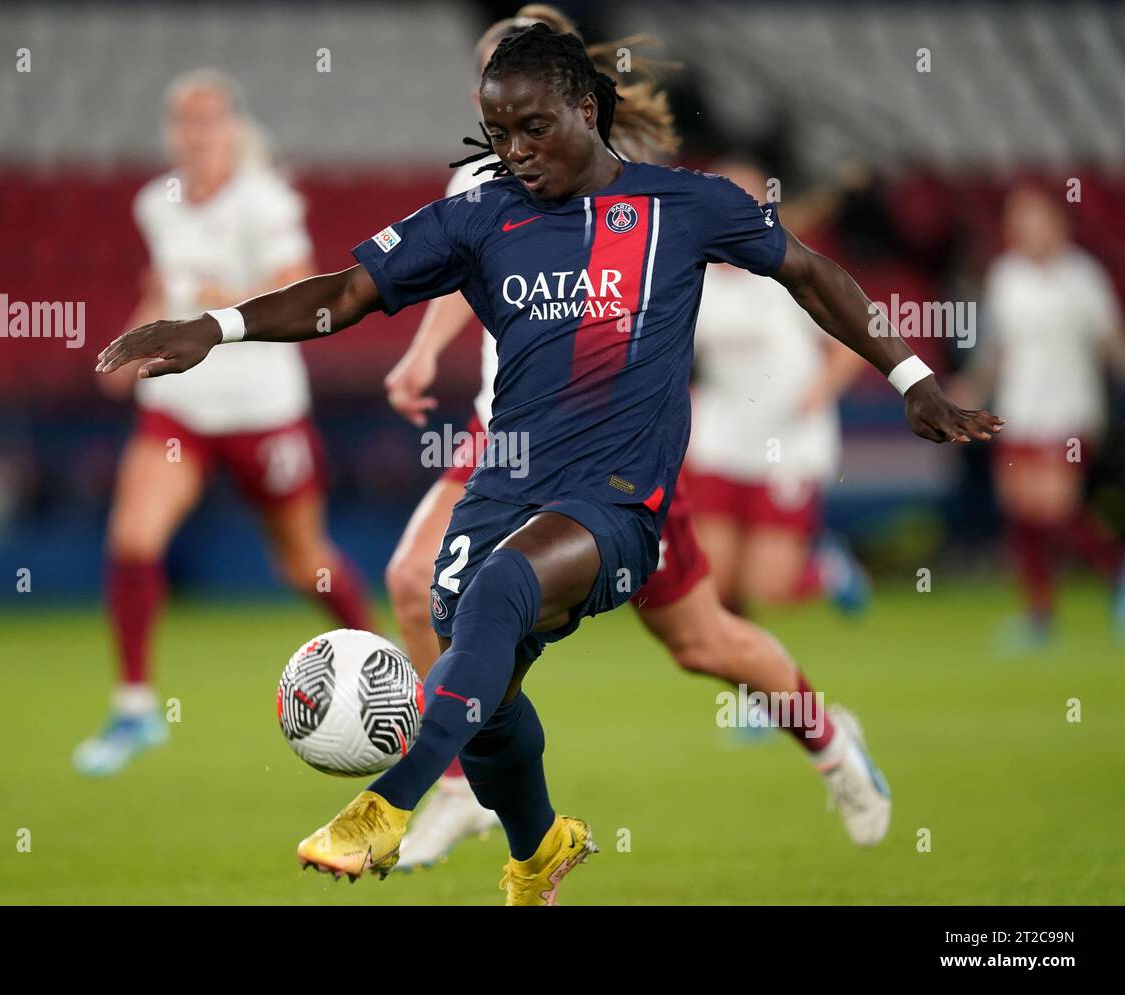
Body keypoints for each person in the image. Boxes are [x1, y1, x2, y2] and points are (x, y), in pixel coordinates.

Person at [96, 25, 1001, 904]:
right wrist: (214, 328)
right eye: (498, 135)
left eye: (534, 128)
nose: (516, 152)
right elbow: (344, 293)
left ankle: (391, 803)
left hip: (621, 498)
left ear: (586, 108)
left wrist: (914, 378)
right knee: (478, 668)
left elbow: (809, 272)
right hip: (507, 482)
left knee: (563, 612)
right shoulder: (478, 215)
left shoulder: (678, 205)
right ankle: (538, 851)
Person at [382, 7, 886, 873]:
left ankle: (830, 736)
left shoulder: (621, 183)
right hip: (505, 438)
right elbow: (442, 267)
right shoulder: (483, 181)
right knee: (409, 578)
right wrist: (426, 349)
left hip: (615, 451)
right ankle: (465, 789)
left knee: (704, 641)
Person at [74, 69, 373, 778]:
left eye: (208, 120)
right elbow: (161, 284)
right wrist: (128, 341)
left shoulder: (263, 202)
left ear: (231, 128)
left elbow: (302, 289)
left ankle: (377, 659)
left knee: (303, 561)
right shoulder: (158, 203)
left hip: (263, 410)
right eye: (183, 121)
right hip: (180, 405)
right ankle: (136, 705)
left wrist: (214, 307)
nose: (195, 134)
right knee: (133, 536)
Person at [686, 156, 869, 614]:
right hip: (721, 440)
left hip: (787, 441)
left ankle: (826, 569)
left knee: (769, 587)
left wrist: (818, 391)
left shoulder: (792, 273)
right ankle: (747, 672)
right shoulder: (694, 280)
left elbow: (856, 342)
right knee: (717, 580)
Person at [959, 183, 1125, 652]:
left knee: (1055, 507)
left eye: (1035, 218)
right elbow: (998, 348)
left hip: (1069, 411)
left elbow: (1110, 340)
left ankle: (1116, 572)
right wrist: (973, 388)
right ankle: (1040, 614)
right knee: (1021, 513)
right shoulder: (1006, 276)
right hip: (1019, 410)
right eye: (1019, 220)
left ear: (1057, 221)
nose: (1027, 228)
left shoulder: (1082, 277)